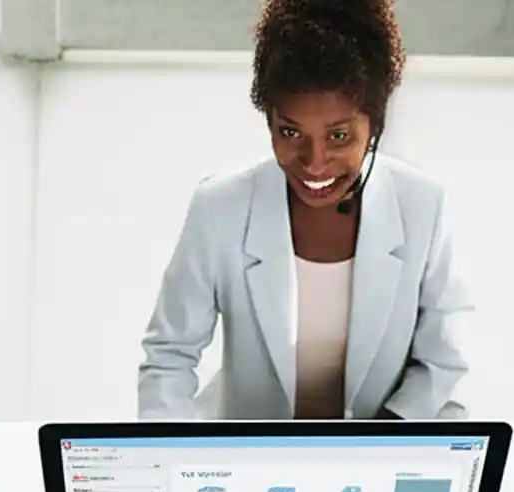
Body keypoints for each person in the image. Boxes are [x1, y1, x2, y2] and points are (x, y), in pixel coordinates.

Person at [138, 0, 470, 421]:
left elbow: (444, 360)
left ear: (374, 122)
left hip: (381, 453)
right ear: (270, 122)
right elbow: (169, 357)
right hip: (247, 457)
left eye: (339, 135)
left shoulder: (423, 206)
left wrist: (382, 441)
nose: (314, 162)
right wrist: (176, 462)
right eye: (290, 131)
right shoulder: (219, 208)